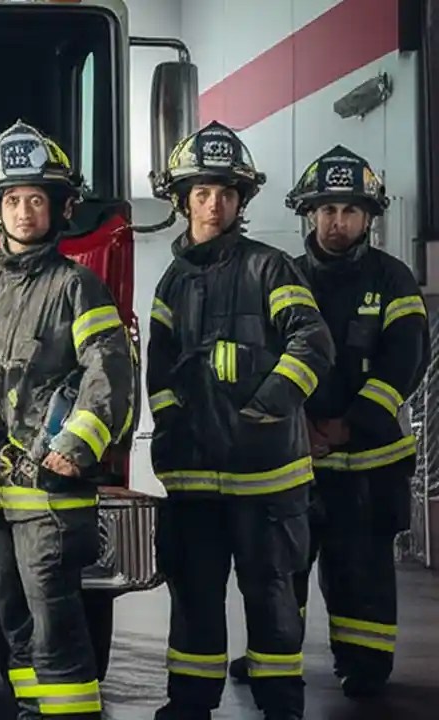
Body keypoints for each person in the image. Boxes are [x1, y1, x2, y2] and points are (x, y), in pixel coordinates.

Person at [0, 120, 136, 719]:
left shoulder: (79, 286)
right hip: (0, 495)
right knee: (16, 625)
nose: (24, 212)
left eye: (35, 200)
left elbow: (110, 373)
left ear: (58, 208)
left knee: (56, 627)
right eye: (12, 201)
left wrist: (72, 451)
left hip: (53, 497)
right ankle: (34, 712)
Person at [146, 121, 335, 720]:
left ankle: (281, 708)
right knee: (194, 602)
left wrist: (266, 408)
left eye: (226, 193)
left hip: (268, 482)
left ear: (240, 200)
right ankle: (189, 704)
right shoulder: (172, 282)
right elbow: (159, 370)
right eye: (201, 192)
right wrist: (174, 431)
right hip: (195, 482)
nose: (214, 204)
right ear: (183, 201)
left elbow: (312, 341)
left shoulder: (270, 268)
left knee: (273, 603)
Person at [225, 146, 430, 698]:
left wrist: (348, 426)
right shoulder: (282, 275)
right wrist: (297, 423)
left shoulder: (393, 279)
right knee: (280, 567)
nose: (338, 222)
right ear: (309, 214)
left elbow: (405, 362)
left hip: (369, 461)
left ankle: (364, 666)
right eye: (327, 210)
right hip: (295, 456)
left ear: (369, 217)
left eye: (350, 210)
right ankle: (273, 658)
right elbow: (263, 356)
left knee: (361, 570)